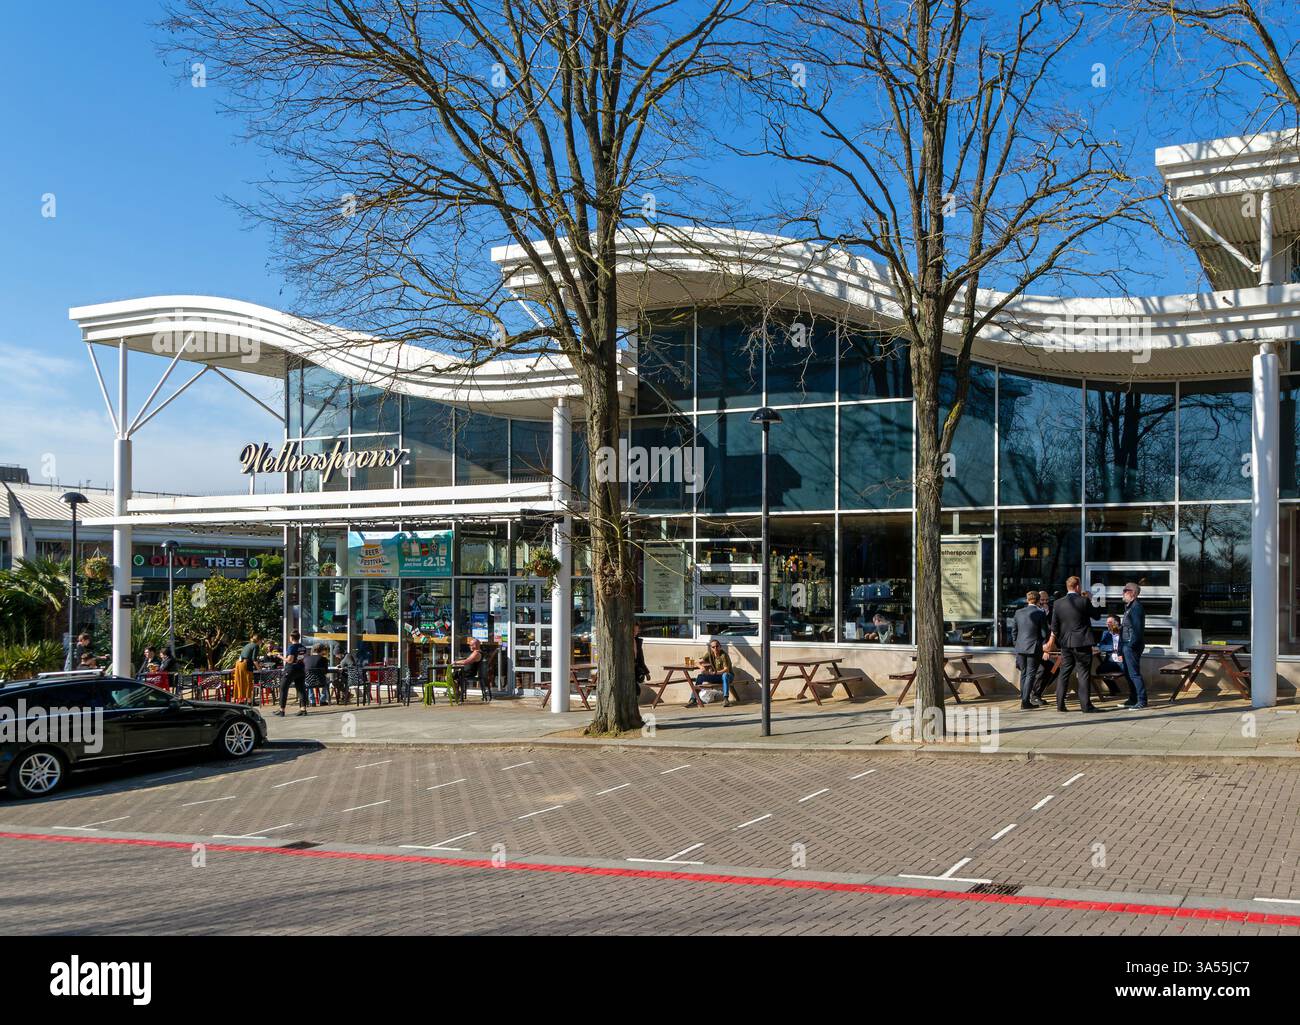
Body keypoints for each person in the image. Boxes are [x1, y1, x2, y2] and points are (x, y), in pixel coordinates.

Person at [1049, 576, 1103, 713]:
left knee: (1064, 672)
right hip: (1082, 642)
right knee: (1083, 673)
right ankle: (1086, 706)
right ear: (1077, 586)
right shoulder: (1083, 601)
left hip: (1066, 643)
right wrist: (1091, 599)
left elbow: (1054, 626)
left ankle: (1060, 705)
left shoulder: (1058, 603)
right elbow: (1097, 615)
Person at [1012, 591, 1049, 709]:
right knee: (1030, 674)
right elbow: (1044, 633)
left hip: (1020, 647)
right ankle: (1025, 701)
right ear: (1038, 601)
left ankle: (1024, 699)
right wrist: (1042, 643)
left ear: (1027, 600)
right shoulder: (1040, 613)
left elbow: (1014, 632)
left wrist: (1017, 644)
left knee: (1023, 673)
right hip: (1033, 647)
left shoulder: (1018, 612)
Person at [1120, 581, 1148, 709]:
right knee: (1128, 673)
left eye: (1125, 591)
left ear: (1132, 593)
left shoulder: (1136, 607)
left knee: (1134, 673)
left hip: (1132, 646)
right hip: (1126, 645)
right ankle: (1133, 698)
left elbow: (1137, 629)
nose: (1123, 593)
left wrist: (1130, 645)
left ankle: (1142, 700)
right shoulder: (1129, 606)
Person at [690, 638, 734, 708]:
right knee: (700, 677)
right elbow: (696, 662)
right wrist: (701, 667)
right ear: (711, 648)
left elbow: (726, 670)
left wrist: (715, 673)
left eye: (717, 646)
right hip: (716, 676)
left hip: (728, 676)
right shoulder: (709, 654)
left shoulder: (723, 655)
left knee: (725, 675)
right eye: (713, 647)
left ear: (720, 646)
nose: (715, 648)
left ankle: (726, 699)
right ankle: (693, 698)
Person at [277, 631, 308, 717]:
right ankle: (303, 709)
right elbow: (303, 658)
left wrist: (281, 657)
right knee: (301, 689)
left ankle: (282, 710)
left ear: (291, 638)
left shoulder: (292, 648)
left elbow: (290, 660)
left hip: (291, 670)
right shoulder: (303, 647)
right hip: (300, 669)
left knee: (283, 688)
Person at [1096, 616, 1126, 695]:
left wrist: (1120, 650)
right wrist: (1113, 648)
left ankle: (1134, 693)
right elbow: (1101, 646)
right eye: (1107, 623)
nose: (1107, 624)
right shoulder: (1106, 633)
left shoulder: (1124, 633)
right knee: (1100, 670)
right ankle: (1114, 690)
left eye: (1110, 623)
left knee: (1130, 671)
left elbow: (1127, 646)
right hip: (1110, 661)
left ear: (1117, 623)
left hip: (1122, 661)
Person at [452, 638, 484, 703]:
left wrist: (455, 663)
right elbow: (467, 661)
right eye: (470, 645)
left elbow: (466, 662)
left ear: (476, 645)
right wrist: (457, 662)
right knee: (452, 676)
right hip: (468, 671)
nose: (470, 646)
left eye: (471, 645)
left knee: (450, 677)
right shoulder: (476, 652)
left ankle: (458, 692)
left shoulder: (476, 653)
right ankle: (458, 692)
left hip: (469, 672)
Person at [233, 634, 259, 705]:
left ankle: (241, 700)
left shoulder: (248, 645)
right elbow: (254, 659)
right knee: (248, 682)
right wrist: (259, 669)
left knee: (240, 682)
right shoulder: (256, 646)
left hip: (238, 663)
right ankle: (249, 701)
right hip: (245, 664)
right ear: (259, 640)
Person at [633, 623, 650, 700]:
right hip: (627, 669)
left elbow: (640, 658)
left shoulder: (637, 641)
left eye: (637, 631)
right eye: (634, 631)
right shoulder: (624, 641)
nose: (635, 633)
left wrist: (646, 672)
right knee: (636, 690)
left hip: (636, 667)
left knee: (637, 689)